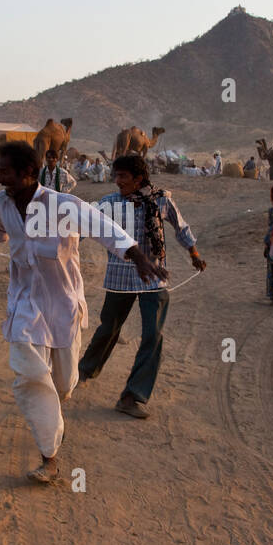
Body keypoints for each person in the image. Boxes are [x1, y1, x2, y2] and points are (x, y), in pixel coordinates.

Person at [0, 142, 165, 483]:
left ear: (28, 173)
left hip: (64, 306)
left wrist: (140, 257)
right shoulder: (2, 203)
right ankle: (49, 457)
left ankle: (54, 424)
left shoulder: (62, 205)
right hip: (25, 303)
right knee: (30, 375)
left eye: (5, 171)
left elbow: (105, 229)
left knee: (63, 383)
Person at [77, 154, 206, 419]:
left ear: (138, 179)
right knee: (109, 328)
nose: (118, 181)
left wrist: (194, 255)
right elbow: (85, 226)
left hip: (153, 279)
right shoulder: (110, 203)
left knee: (152, 337)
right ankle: (83, 372)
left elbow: (181, 228)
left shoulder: (161, 200)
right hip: (120, 278)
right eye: (116, 176)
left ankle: (132, 395)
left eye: (123, 176)